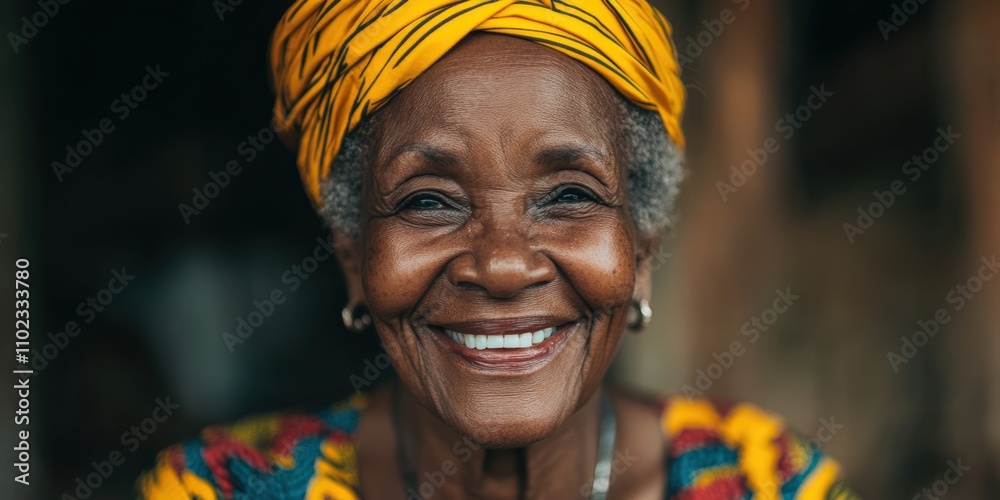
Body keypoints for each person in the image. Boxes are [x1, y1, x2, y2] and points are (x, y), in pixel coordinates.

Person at [138, 1, 857, 498]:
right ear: (356, 261)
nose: (505, 265)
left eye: (569, 195)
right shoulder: (223, 488)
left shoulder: (767, 483)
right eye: (428, 201)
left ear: (640, 252)